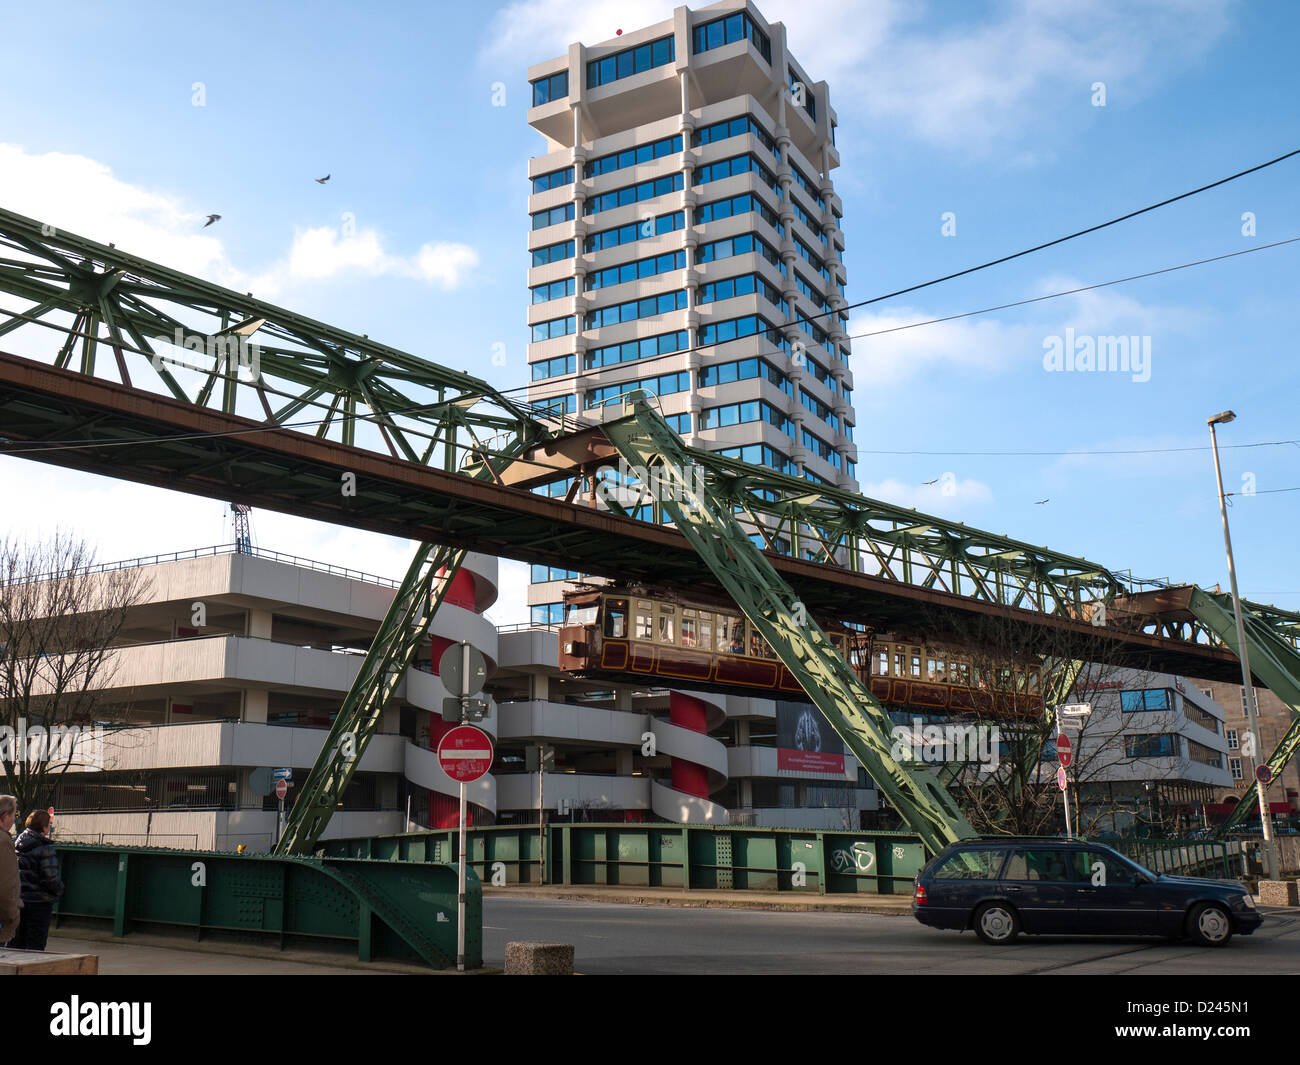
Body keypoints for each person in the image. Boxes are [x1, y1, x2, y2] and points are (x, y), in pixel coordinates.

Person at [12, 810, 63, 951]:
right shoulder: (45, 848)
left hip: (19, 901)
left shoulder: (16, 844)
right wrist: (59, 892)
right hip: (39, 903)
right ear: (44, 827)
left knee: (15, 944)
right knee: (36, 945)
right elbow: (51, 878)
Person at [0, 796, 19, 946]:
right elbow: (5, 887)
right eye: (14, 815)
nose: (14, 820)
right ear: (5, 816)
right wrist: (11, 918)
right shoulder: (4, 842)